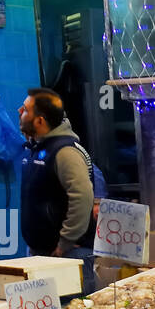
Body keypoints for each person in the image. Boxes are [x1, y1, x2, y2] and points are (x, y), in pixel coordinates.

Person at [18, 88, 97, 293]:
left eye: (26, 110)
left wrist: (66, 241)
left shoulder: (65, 152)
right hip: (43, 253)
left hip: (66, 255)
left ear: (40, 121)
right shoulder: (37, 148)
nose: (19, 111)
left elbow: (82, 197)